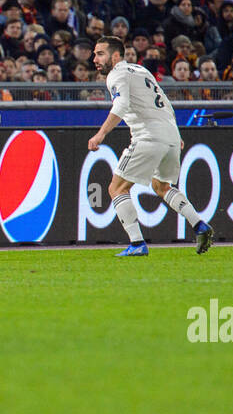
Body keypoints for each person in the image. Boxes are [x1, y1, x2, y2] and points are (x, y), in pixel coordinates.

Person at [87, 36, 214, 257]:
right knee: (161, 186)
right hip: (170, 135)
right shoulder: (140, 71)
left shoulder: (117, 74)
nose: (94, 59)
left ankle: (137, 243)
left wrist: (101, 134)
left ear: (116, 56)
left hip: (149, 136)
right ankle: (199, 225)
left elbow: (122, 104)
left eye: (100, 54)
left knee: (116, 188)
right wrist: (175, 133)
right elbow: (165, 101)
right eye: (95, 54)